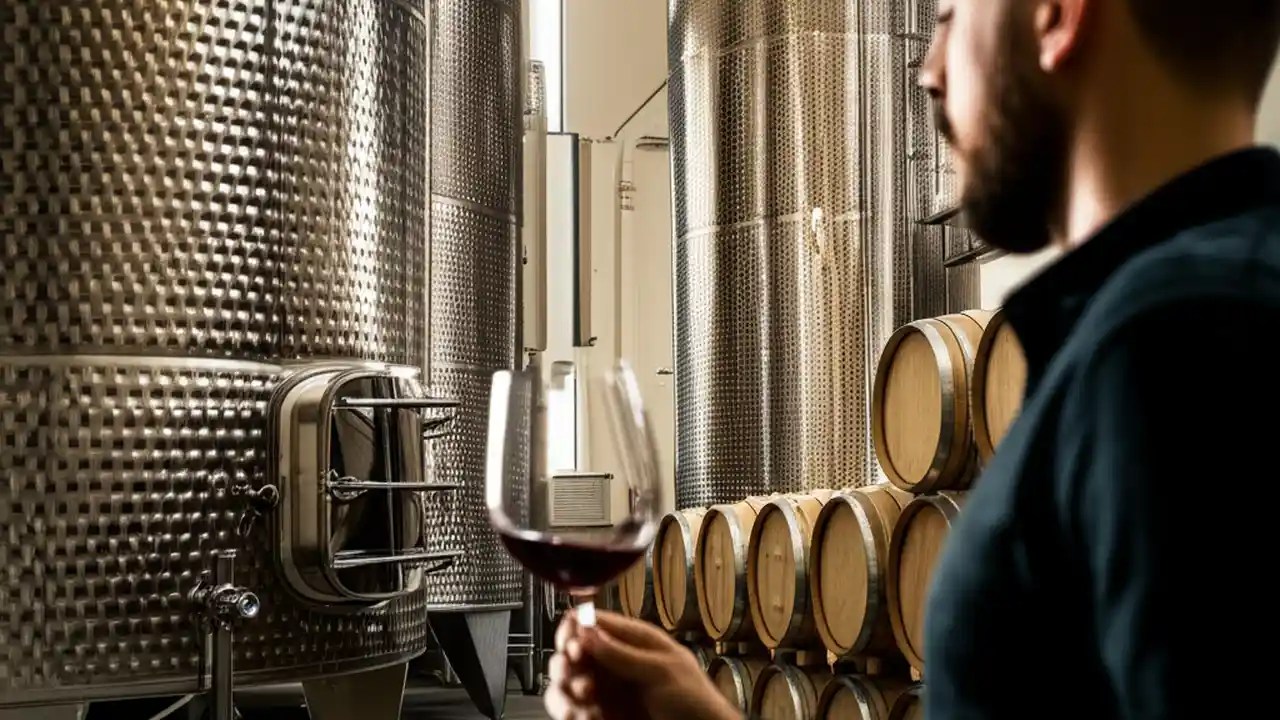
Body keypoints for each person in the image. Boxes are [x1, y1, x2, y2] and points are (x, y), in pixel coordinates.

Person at [545, 0, 1280, 717]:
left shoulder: (1173, 350)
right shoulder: (1179, 322)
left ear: (1056, 16)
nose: (928, 71)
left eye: (951, 20)